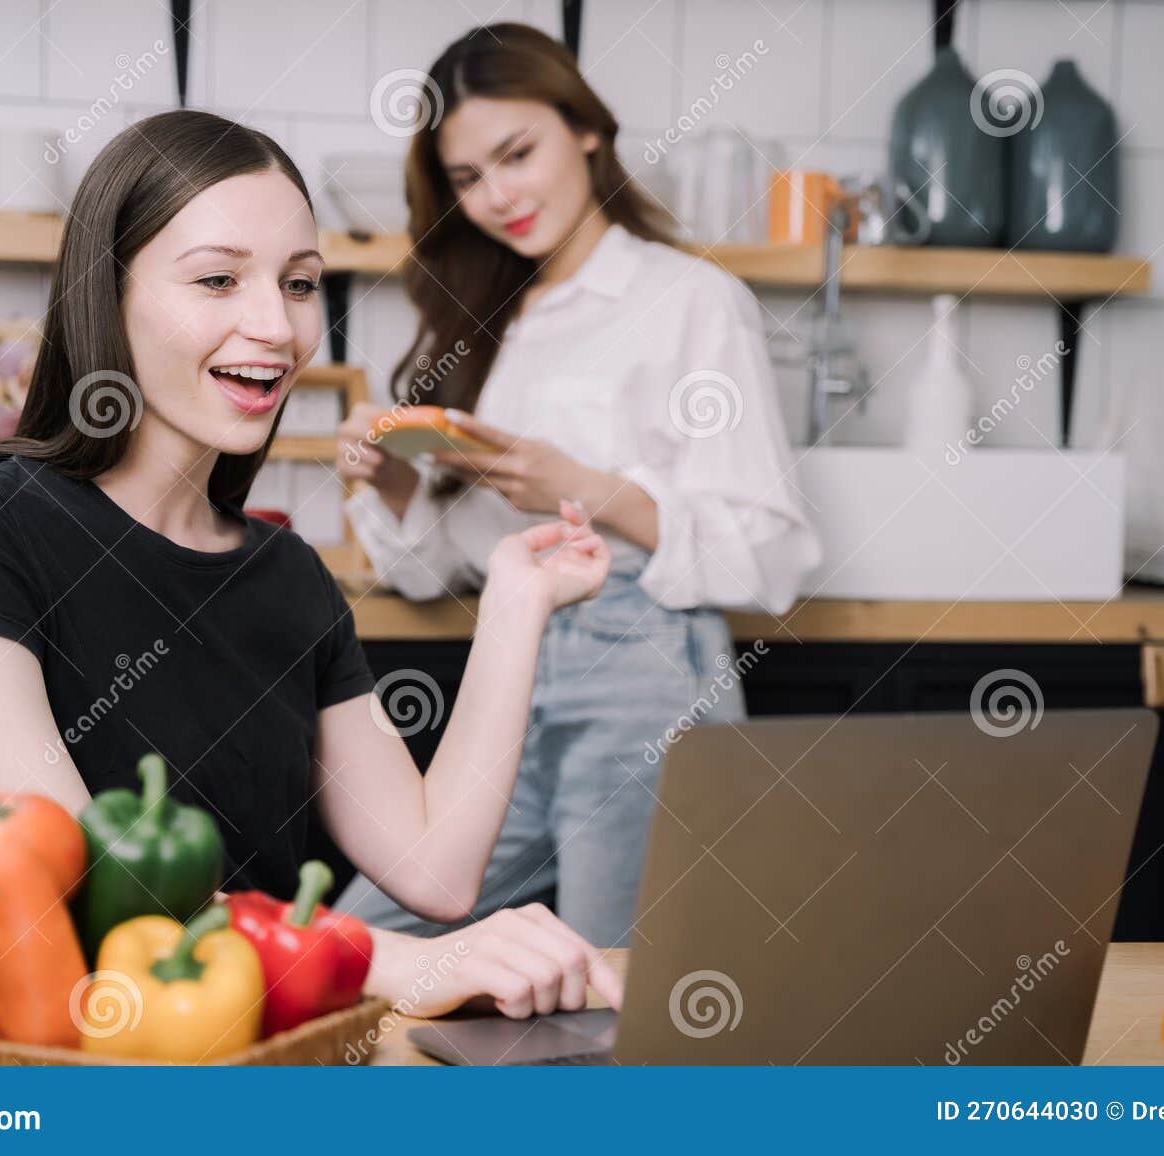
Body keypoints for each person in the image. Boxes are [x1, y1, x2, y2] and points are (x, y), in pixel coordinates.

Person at [0, 108, 624, 1021]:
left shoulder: (290, 577)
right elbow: (77, 878)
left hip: (274, 1063)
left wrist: (516, 598)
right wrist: (394, 963)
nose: (276, 325)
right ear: (106, 295)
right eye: (219, 280)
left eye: (299, 285)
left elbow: (438, 867)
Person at [335, 24, 822, 947]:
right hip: (509, 668)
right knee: (351, 950)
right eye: (468, 179)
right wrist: (395, 483)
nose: (499, 197)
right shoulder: (486, 319)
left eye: (518, 154)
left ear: (587, 129)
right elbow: (439, 571)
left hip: (639, 664)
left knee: (616, 987)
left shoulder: (689, 301)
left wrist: (587, 489)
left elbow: (771, 555)